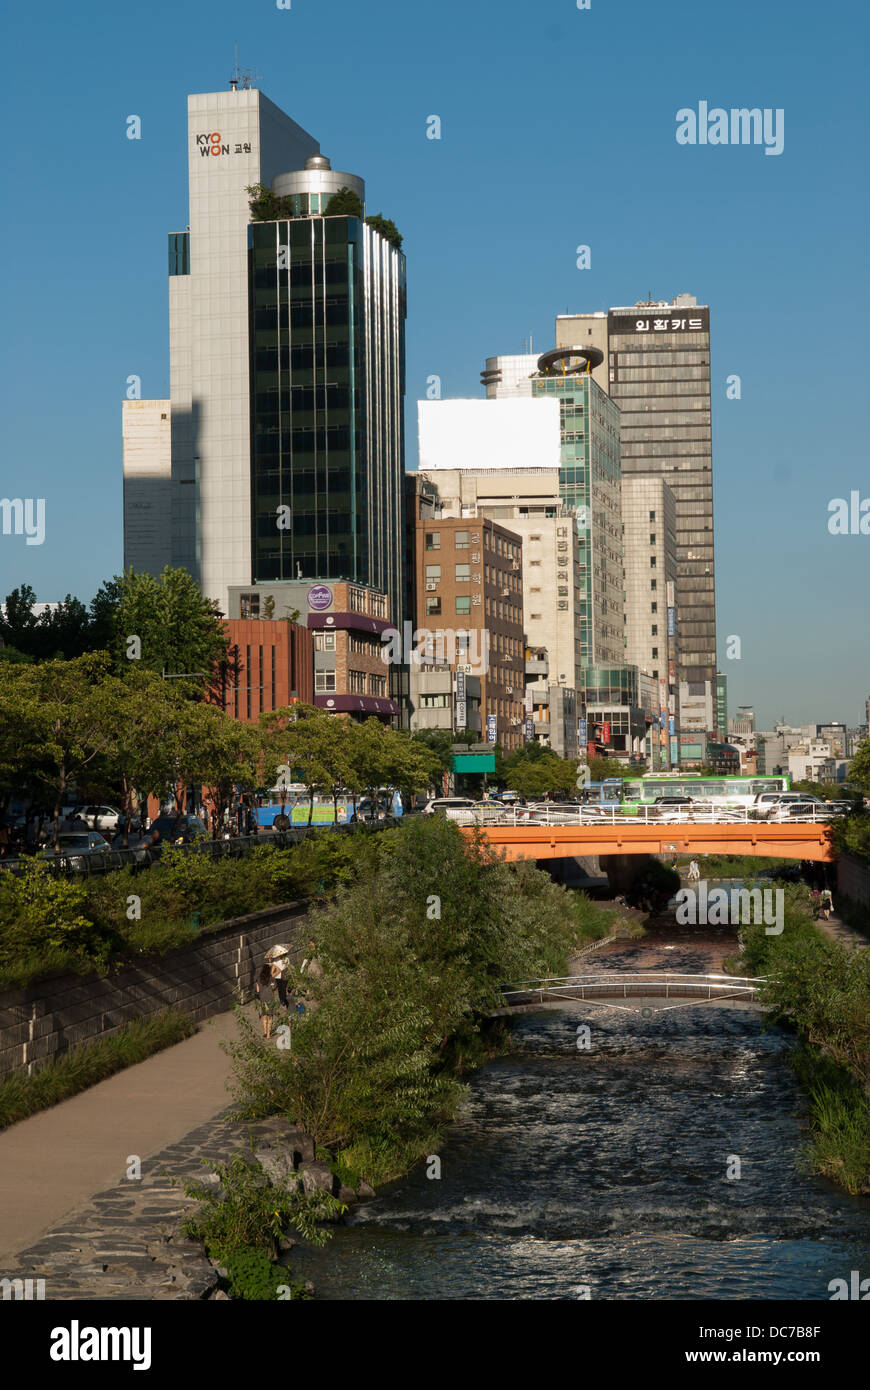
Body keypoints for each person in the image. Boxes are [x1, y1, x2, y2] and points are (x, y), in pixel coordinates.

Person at [255, 963, 276, 1038]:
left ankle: (264, 1031)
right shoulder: (271, 978)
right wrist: (273, 965)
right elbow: (279, 971)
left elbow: (257, 990)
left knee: (264, 1015)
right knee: (270, 1016)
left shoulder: (258, 978)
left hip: (263, 998)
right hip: (270, 998)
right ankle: (268, 1034)